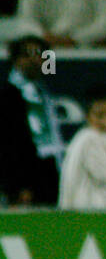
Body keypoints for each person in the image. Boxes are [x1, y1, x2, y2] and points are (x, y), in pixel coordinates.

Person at [2, 35, 62, 205]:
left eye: (40, 55)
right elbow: (8, 146)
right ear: (16, 59)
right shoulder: (7, 95)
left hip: (49, 174)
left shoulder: (43, 92)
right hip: (25, 182)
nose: (35, 59)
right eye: (28, 55)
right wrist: (16, 186)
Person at [58, 86, 106, 209]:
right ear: (87, 116)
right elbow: (105, 177)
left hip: (103, 210)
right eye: (100, 115)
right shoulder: (87, 138)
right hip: (83, 213)